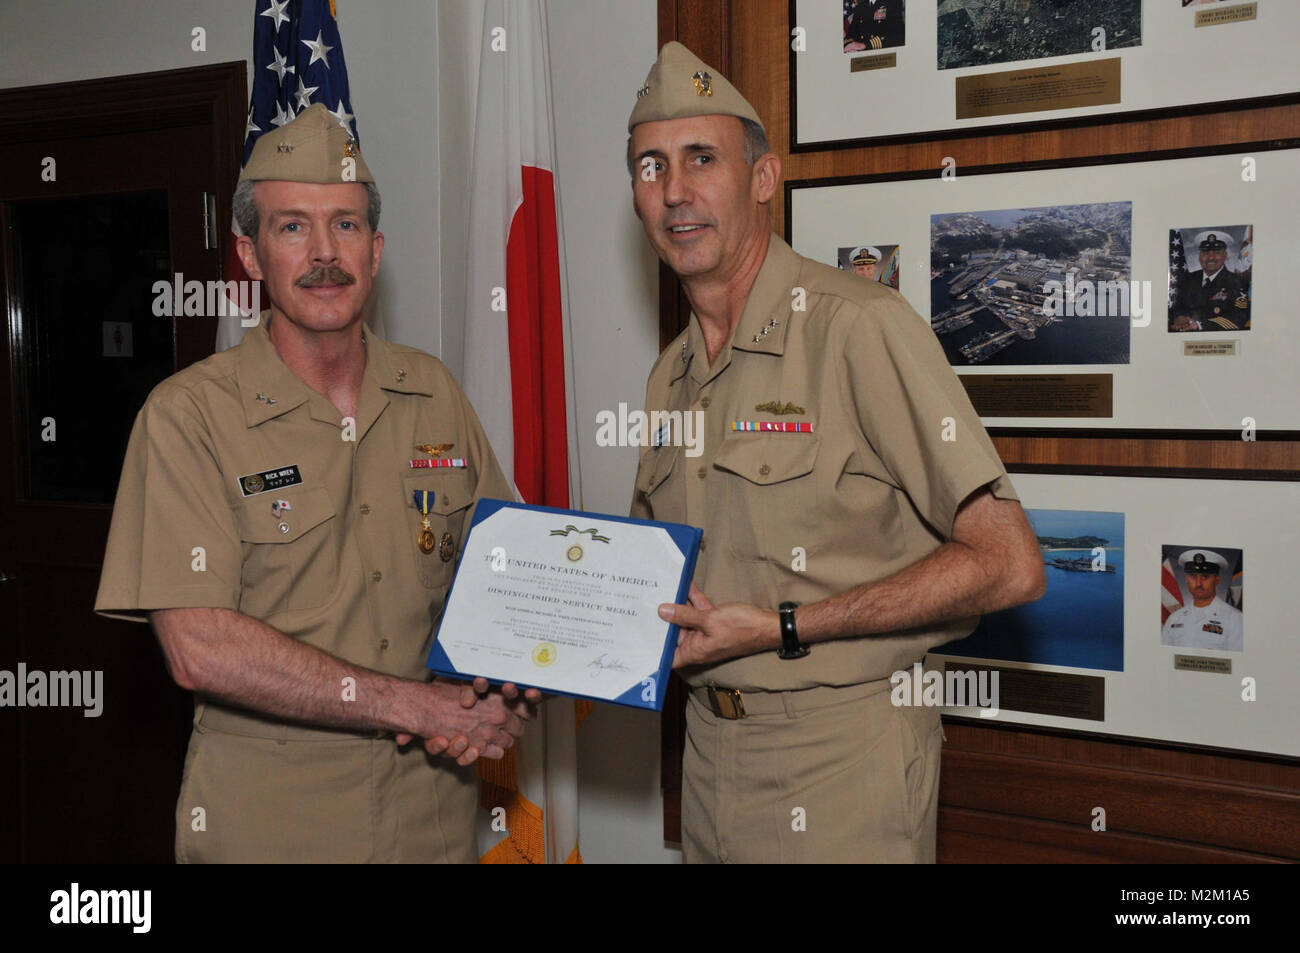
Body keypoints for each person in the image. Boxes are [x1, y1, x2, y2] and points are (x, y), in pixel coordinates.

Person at [626, 42, 1045, 863]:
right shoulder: (669, 375)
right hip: (708, 758)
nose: (674, 190)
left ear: (762, 179)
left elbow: (1010, 563)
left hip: (841, 758)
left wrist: (786, 624)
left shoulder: (859, 327)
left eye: (701, 159)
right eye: (650, 166)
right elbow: (660, 583)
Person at [94, 104, 537, 863]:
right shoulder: (188, 416)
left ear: (377, 248)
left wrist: (508, 682)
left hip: (430, 821)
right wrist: (412, 703)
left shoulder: (432, 392)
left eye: (347, 225)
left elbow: (504, 577)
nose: (324, 253)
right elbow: (199, 647)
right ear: (250, 254)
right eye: (293, 226)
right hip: (272, 829)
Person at [1162, 550, 1243, 651]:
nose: (1198, 583)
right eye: (1193, 576)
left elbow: (1237, 662)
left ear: (1217, 580)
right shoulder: (1174, 619)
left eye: (1205, 576)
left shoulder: (1235, 619)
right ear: (1186, 579)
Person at [1170, 231, 1250, 331]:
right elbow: (1175, 306)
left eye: (1217, 252)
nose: (1210, 257)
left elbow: (1239, 317)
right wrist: (1179, 317)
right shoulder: (1187, 279)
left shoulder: (1238, 282)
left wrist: (1199, 326)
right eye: (1205, 252)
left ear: (1225, 255)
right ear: (1199, 256)